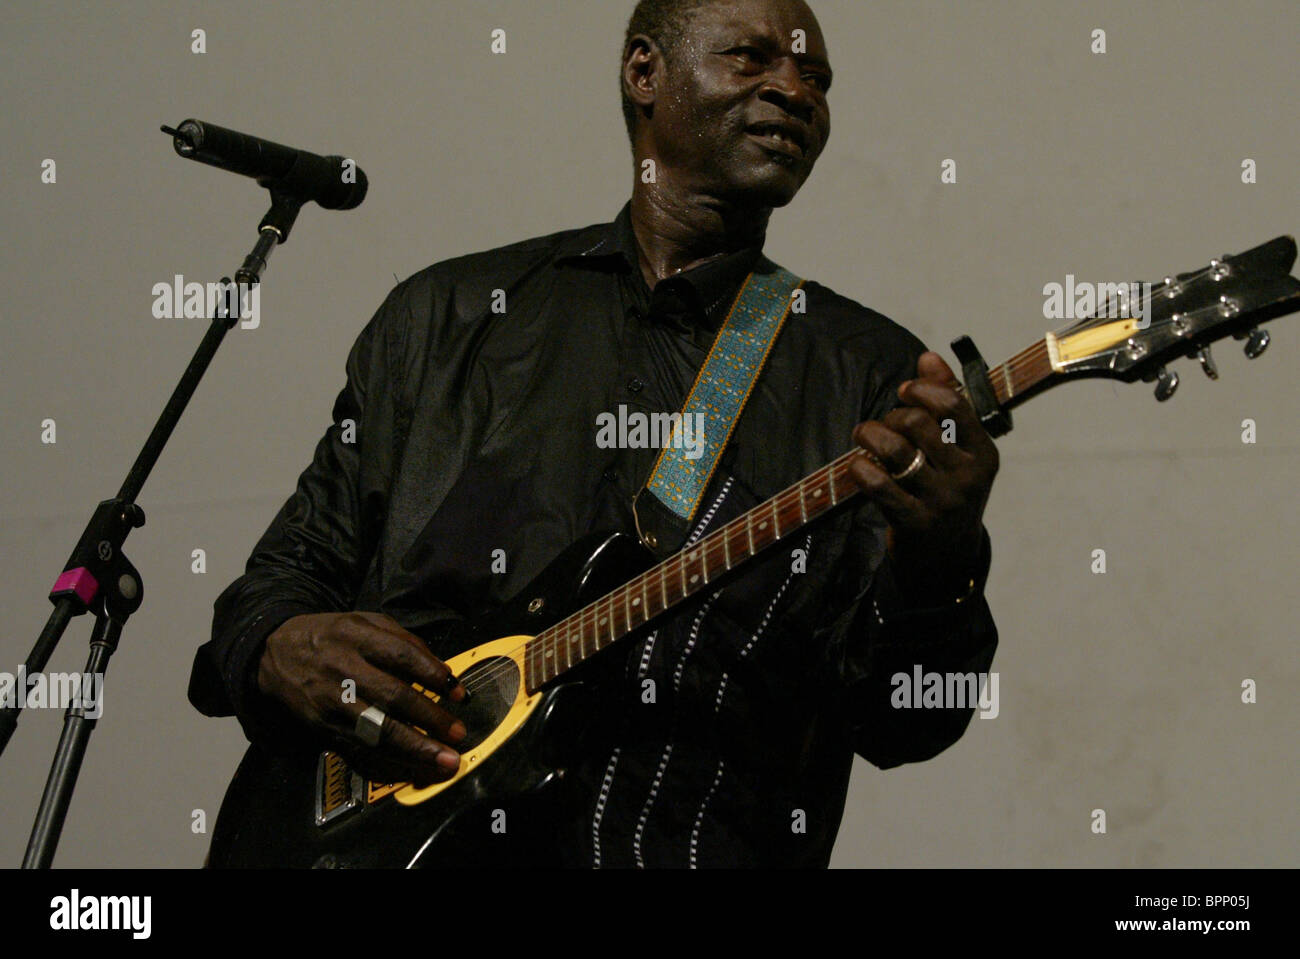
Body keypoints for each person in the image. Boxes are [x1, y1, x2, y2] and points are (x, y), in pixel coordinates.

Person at [188, 0, 1000, 868]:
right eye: (753, 58)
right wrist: (276, 645)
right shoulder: (444, 320)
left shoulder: (866, 374)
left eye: (816, 78)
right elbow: (284, 576)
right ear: (643, 72)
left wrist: (941, 559)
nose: (795, 91)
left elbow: (909, 722)